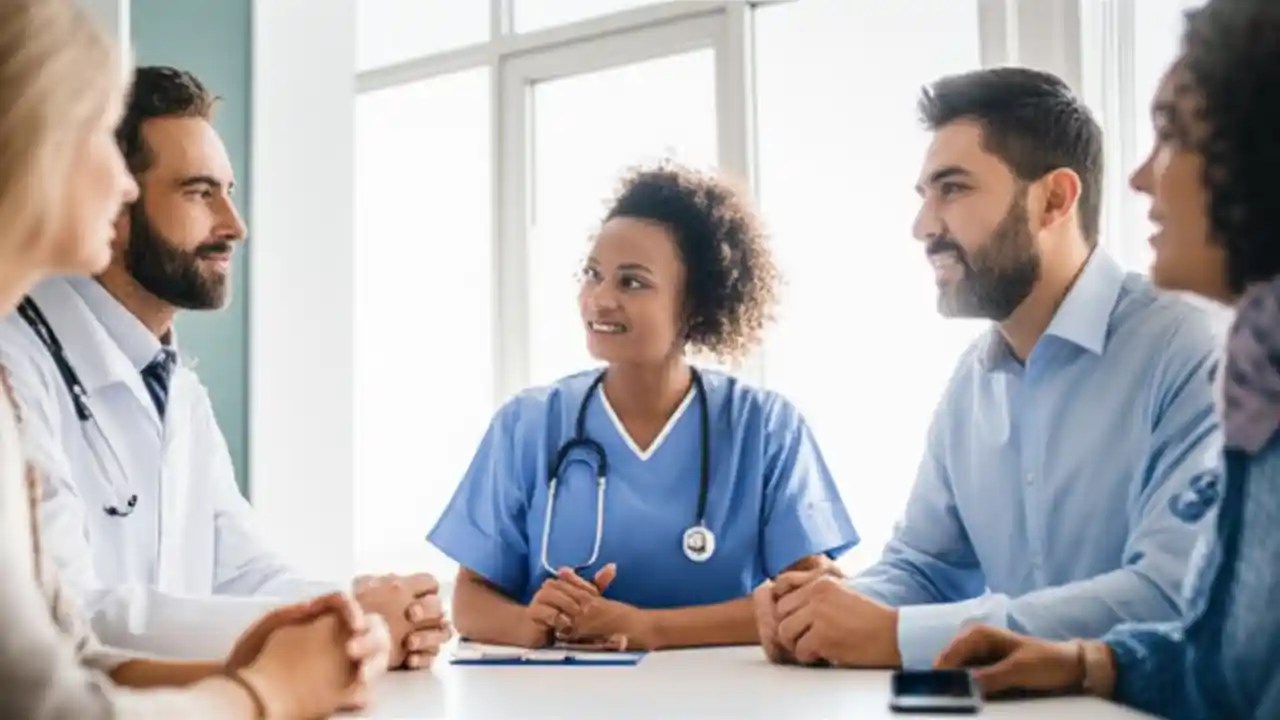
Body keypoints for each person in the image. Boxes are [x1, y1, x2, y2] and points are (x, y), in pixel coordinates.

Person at [754, 67, 1222, 670]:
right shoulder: (970, 383)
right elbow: (925, 566)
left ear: (1054, 199)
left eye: (952, 189)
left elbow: (1173, 591)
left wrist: (900, 636)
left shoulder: (1192, 347)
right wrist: (821, 611)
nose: (923, 226)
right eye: (924, 195)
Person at [0, 1, 390, 717]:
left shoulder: (177, 388)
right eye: (198, 191)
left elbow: (79, 650)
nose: (235, 226)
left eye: (228, 192)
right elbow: (50, 678)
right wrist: (264, 687)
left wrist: (344, 617)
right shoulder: (17, 367)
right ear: (38, 150)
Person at [935, 2, 1280, 717]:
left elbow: (1170, 598)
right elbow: (1219, 660)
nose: (1139, 179)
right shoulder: (1260, 375)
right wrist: (1089, 662)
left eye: (1173, 135)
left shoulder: (1197, 351)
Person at [429, 163, 859, 650]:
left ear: (696, 303)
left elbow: (812, 598)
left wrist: (647, 628)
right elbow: (470, 599)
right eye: (593, 274)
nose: (600, 299)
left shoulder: (764, 428)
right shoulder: (528, 423)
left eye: (632, 282)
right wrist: (533, 622)